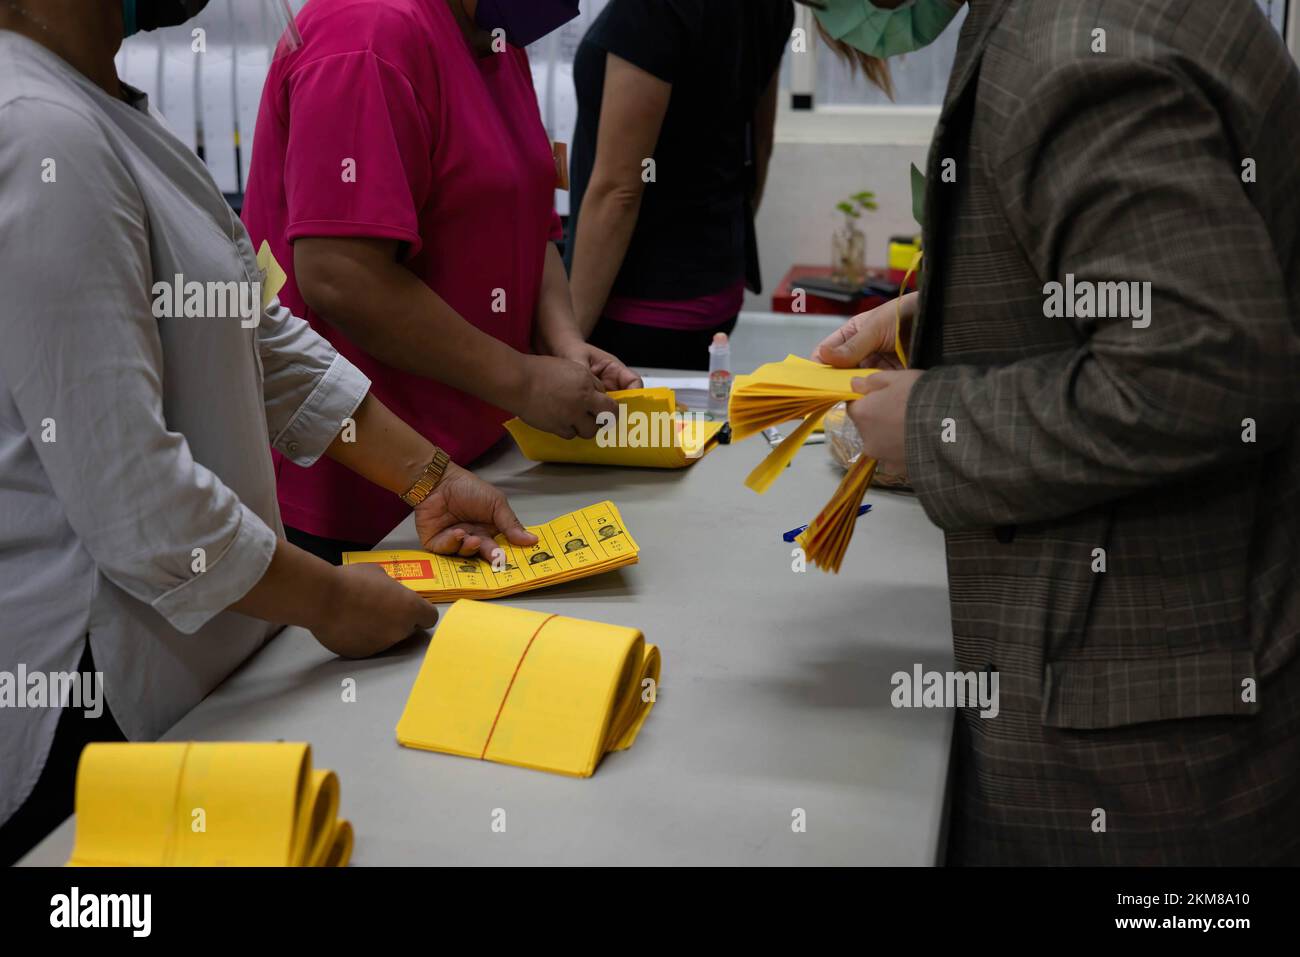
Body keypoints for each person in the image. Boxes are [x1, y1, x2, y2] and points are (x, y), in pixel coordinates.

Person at [0, 0, 538, 864]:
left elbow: (262, 341)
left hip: (203, 652)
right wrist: (330, 601)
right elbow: (139, 500)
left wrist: (428, 480)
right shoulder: (40, 133)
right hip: (92, 689)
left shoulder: (106, 106)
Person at [809, 0, 1300, 864]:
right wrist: (950, 319)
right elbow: (1155, 285)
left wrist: (929, 423)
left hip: (1153, 753)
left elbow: (1205, 369)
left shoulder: (1065, 51)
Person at [242, 0, 641, 565]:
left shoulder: (491, 38)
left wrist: (565, 346)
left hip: (477, 462)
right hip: (365, 490)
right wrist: (524, 381)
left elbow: (529, 221)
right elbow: (342, 277)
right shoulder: (365, 35)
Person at [564, 0, 794, 370]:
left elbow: (620, 189)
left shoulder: (650, 9)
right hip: (717, 290)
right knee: (686, 428)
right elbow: (761, 142)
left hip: (639, 308)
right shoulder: (773, 7)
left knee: (634, 430)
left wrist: (566, 345)